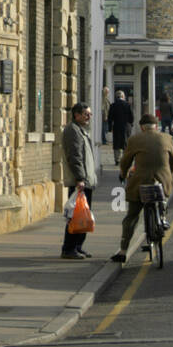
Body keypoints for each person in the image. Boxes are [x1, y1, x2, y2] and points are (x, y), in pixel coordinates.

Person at [110, 114, 173, 264]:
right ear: (156, 125)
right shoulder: (166, 138)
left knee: (132, 216)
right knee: (162, 198)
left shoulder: (135, 140)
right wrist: (169, 175)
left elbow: (125, 161)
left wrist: (123, 174)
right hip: (162, 181)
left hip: (141, 183)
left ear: (141, 127)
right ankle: (163, 218)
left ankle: (123, 251)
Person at [61, 102, 97, 259]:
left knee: (84, 216)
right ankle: (69, 248)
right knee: (76, 217)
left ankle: (78, 246)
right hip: (80, 182)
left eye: (89, 113)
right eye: (85, 114)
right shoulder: (72, 131)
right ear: (76, 115)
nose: (89, 116)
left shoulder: (82, 130)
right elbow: (75, 156)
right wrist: (80, 178)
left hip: (86, 180)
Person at [107, 89, 134, 164]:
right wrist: (131, 124)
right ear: (123, 96)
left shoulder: (113, 105)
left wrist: (110, 128)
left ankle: (117, 160)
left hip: (117, 126)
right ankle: (125, 159)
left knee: (116, 143)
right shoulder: (127, 105)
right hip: (126, 126)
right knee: (126, 143)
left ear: (116, 96)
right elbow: (131, 116)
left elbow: (110, 118)